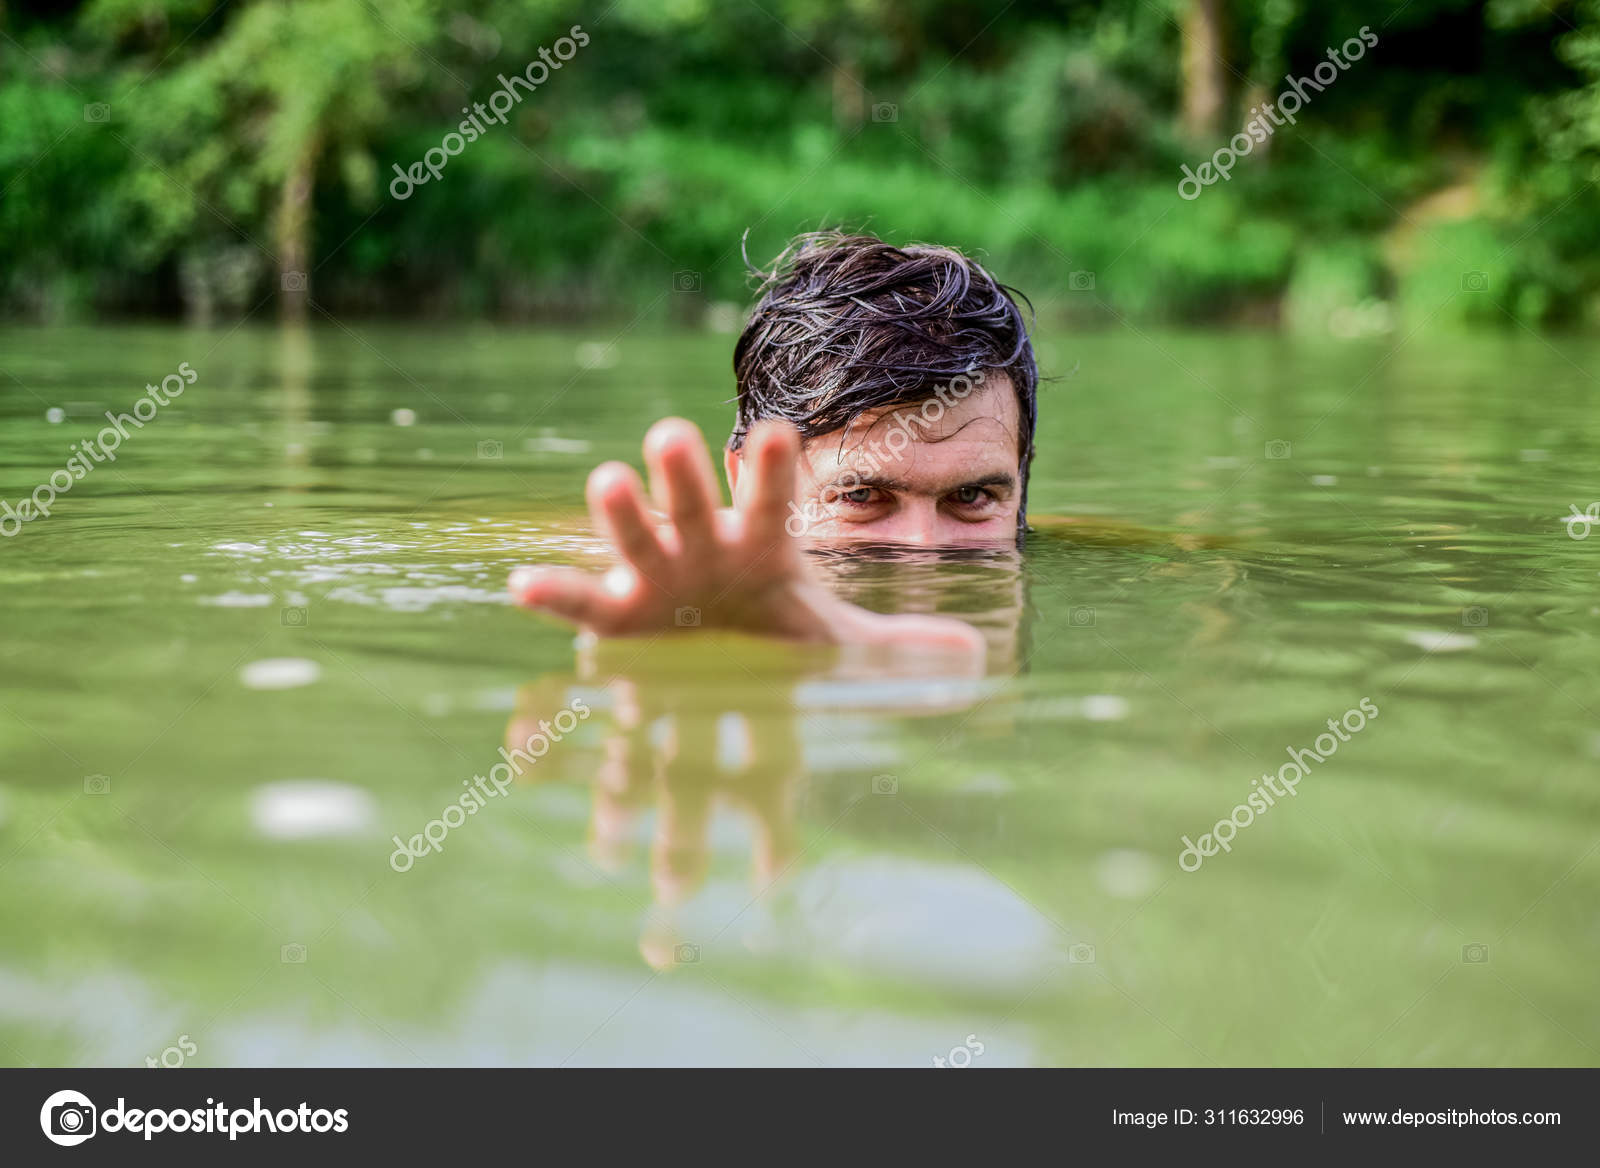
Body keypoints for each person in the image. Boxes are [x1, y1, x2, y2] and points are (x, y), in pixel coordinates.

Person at [508, 231, 1040, 662]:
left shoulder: (1108, 558)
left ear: (1021, 480)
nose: (923, 553)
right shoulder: (634, 565)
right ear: (743, 483)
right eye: (860, 497)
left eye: (970, 497)